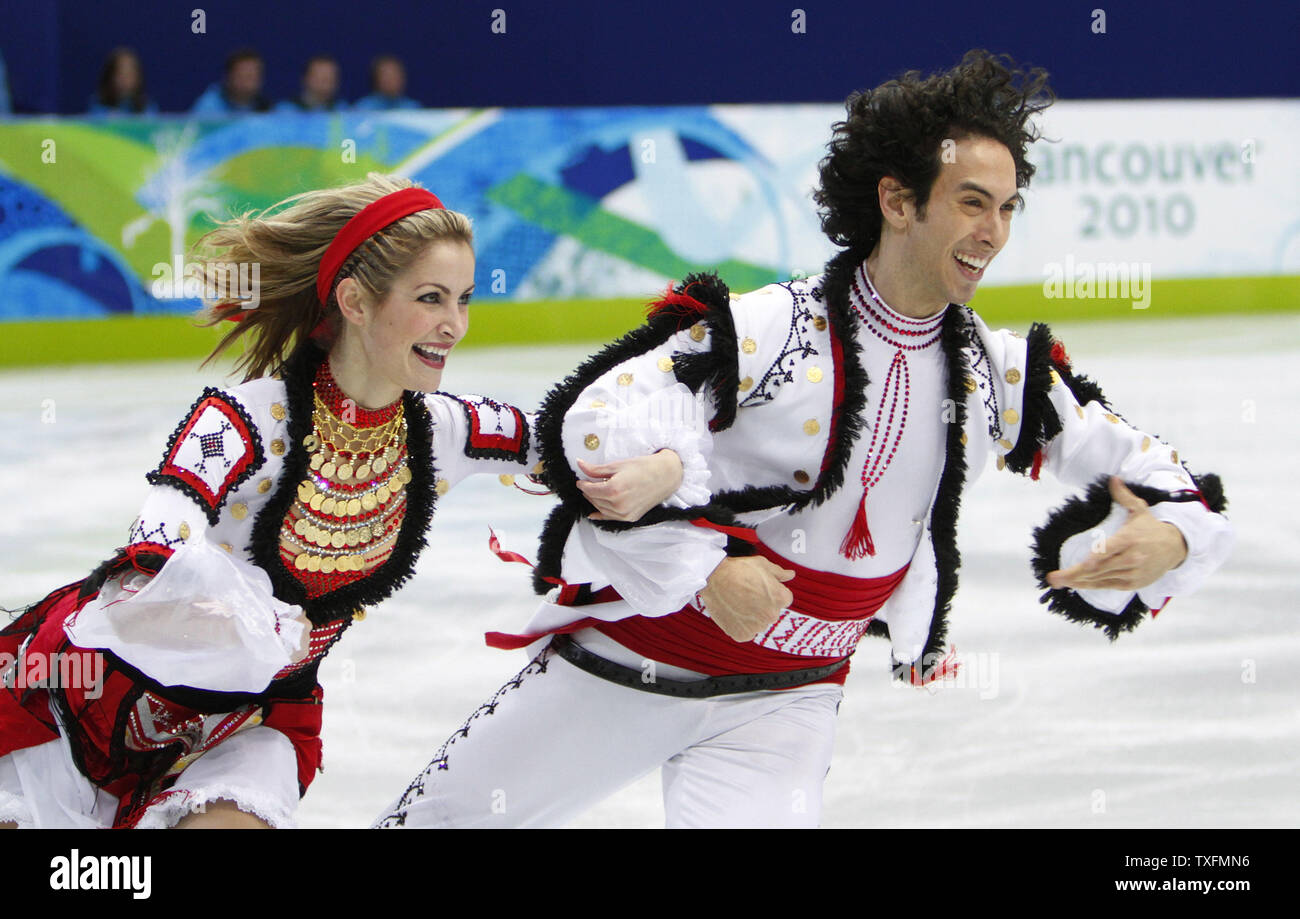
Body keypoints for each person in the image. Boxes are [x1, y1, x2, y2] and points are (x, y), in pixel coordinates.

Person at [374, 50, 1235, 829]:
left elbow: (1158, 470)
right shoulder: (771, 332)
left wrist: (1175, 530)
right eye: (972, 202)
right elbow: (597, 417)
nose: (994, 231)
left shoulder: (993, 371)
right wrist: (701, 570)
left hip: (783, 704)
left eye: (1008, 207)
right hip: (632, 667)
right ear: (897, 199)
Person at [0, 172, 687, 829]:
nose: (455, 324)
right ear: (356, 302)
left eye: (465, 298)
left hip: (248, 724)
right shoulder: (245, 419)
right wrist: (242, 614)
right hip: (89, 699)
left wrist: (667, 463)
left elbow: (568, 440)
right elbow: (158, 534)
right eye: (430, 298)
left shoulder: (445, 431)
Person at [191, 48, 271, 115]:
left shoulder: (271, 110)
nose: (247, 82)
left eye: (252, 76)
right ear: (229, 77)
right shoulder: (208, 107)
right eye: (242, 75)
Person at [87, 47, 157, 116]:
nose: (124, 79)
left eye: (129, 74)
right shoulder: (98, 105)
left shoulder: (147, 108)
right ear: (110, 77)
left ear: (139, 78)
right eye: (120, 74)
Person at [276, 55, 346, 113]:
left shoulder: (343, 110)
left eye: (331, 77)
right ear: (306, 79)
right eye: (320, 77)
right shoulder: (285, 111)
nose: (326, 82)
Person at [353, 55, 420, 111]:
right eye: (386, 75)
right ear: (376, 78)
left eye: (394, 75)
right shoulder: (363, 108)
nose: (390, 80)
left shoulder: (414, 109)